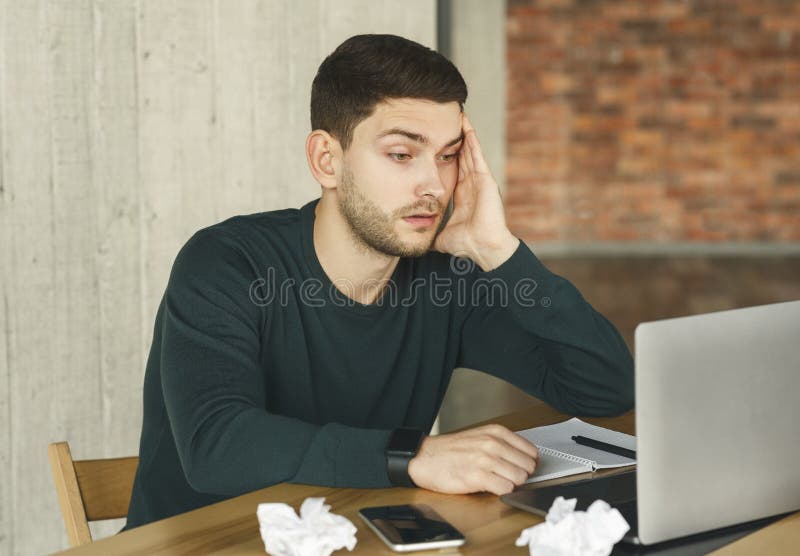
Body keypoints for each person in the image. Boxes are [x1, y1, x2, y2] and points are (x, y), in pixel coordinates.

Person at [123, 33, 633, 530]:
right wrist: (412, 457)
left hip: (359, 539)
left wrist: (499, 250)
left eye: (448, 155)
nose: (433, 185)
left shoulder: (445, 281)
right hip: (206, 545)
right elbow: (217, 444)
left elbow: (605, 388)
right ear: (327, 160)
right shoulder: (227, 263)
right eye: (401, 154)